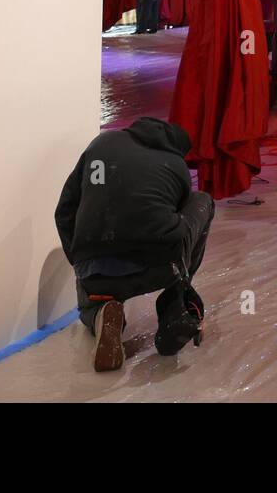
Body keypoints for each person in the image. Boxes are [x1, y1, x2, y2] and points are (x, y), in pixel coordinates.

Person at [55, 117, 214, 372]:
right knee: (202, 200)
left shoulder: (102, 143)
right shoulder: (176, 165)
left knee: (89, 303)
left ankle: (101, 313)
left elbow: (64, 211)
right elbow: (176, 228)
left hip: (96, 271)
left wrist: (81, 261)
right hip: (157, 270)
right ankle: (176, 303)